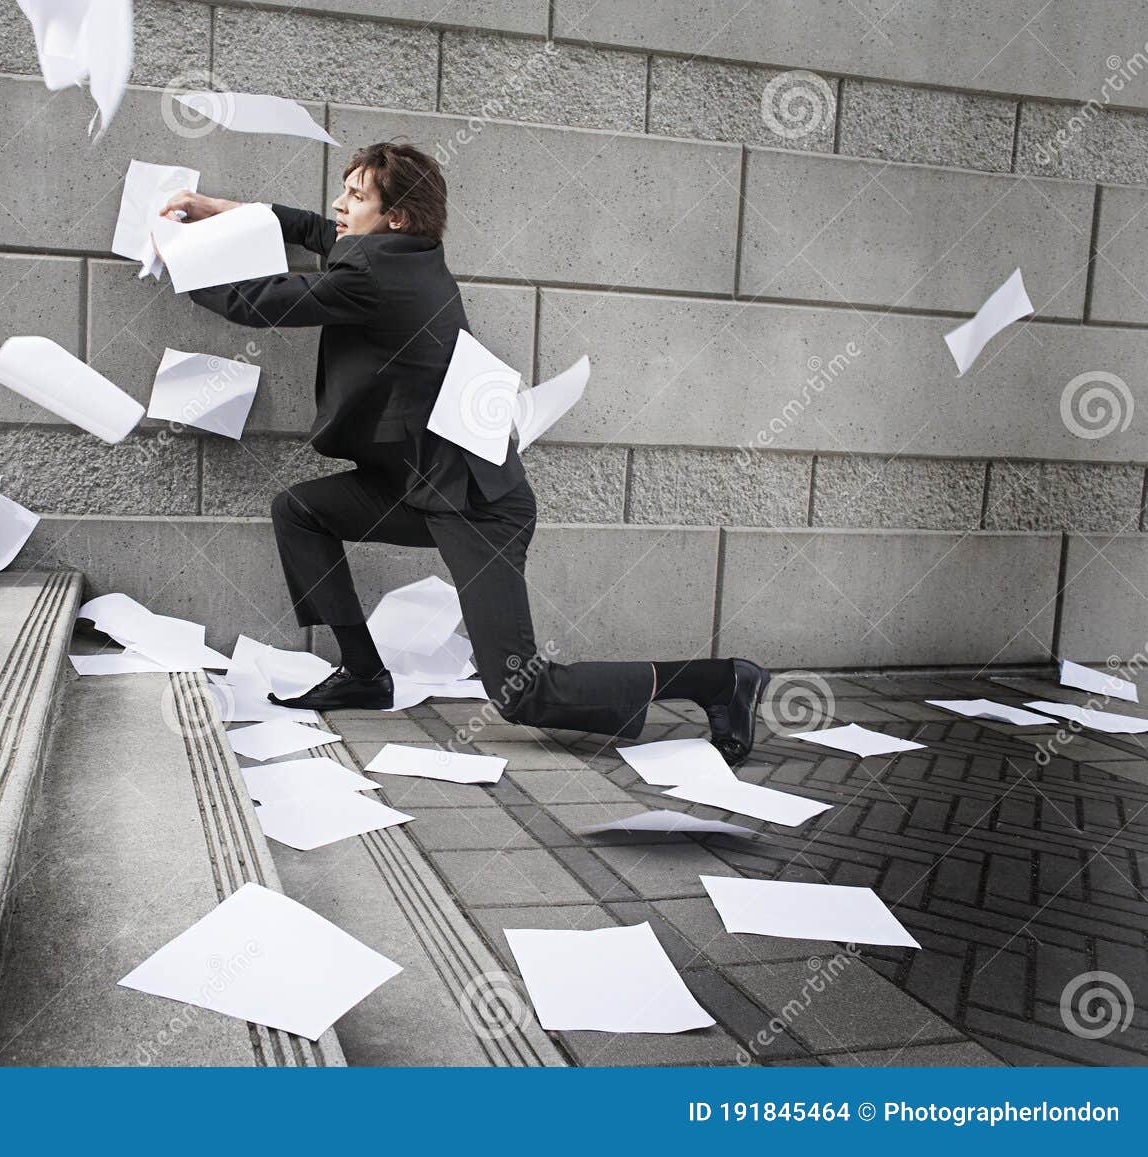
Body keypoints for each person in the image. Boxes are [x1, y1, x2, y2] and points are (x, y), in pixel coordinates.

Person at [161, 142, 770, 765]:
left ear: (394, 218)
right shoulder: (406, 251)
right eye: (343, 192)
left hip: (475, 506)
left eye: (357, 197)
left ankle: (718, 681)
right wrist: (219, 209)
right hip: (419, 488)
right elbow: (316, 229)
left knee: (519, 690)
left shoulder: (373, 273)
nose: (339, 207)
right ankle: (365, 676)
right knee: (301, 511)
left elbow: (260, 303)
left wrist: (181, 256)